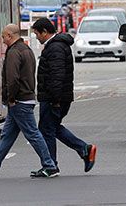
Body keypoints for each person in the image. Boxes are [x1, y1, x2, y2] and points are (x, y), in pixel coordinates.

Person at [0, 23, 59, 179]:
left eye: (3, 37)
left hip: (19, 101)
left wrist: (11, 98)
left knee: (33, 134)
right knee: (7, 135)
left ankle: (49, 165)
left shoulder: (14, 52)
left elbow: (12, 79)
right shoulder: (27, 50)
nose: (2, 40)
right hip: (25, 98)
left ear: (9, 35)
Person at [31, 17, 97, 174]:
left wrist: (55, 99)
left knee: (47, 129)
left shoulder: (55, 48)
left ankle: (52, 165)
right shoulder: (58, 46)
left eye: (37, 34)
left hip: (54, 98)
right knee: (52, 128)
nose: (36, 37)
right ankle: (83, 150)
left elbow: (57, 75)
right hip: (57, 97)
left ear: (45, 32)